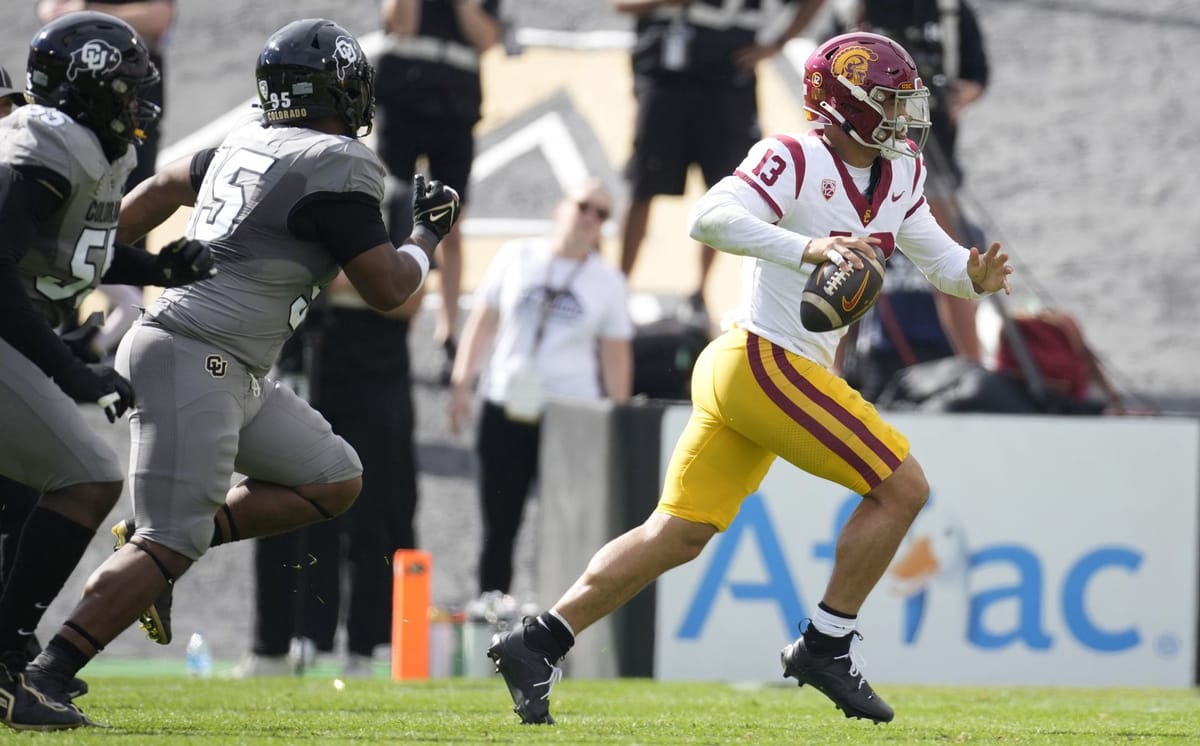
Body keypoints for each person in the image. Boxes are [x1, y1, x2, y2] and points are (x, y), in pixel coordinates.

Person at [487, 31, 1013, 725]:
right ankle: (825, 645)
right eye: (889, 99)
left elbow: (941, 262)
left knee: (677, 533)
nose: (903, 113)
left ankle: (536, 643)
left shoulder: (902, 173)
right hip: (765, 358)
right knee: (903, 487)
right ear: (845, 102)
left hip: (758, 371)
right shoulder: (793, 155)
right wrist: (809, 247)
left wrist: (974, 278)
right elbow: (709, 218)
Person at [13, 18, 461, 729]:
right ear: (342, 90)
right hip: (197, 353)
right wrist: (427, 234)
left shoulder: (248, 139)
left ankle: (157, 548)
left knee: (332, 477)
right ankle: (45, 675)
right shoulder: (339, 162)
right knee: (171, 538)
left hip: (223, 360)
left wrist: (86, 250)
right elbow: (387, 287)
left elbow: (166, 184)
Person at [0, 11, 216, 731]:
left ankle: (9, 655)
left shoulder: (75, 149)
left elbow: (71, 251)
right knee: (89, 477)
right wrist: (73, 372)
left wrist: (157, 268)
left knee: (26, 492)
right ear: (89, 85)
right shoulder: (42, 143)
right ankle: (5, 664)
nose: (140, 101)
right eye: (128, 86)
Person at [449, 179, 634, 601]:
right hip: (505, 404)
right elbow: (484, 321)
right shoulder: (517, 255)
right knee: (499, 521)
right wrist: (461, 382)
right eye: (584, 206)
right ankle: (492, 609)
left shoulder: (607, 282)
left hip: (570, 417)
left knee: (565, 525)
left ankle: (559, 618)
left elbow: (616, 357)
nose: (590, 218)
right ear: (561, 207)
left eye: (601, 214)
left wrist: (617, 419)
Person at [235, 278, 423, 679]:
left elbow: (406, 297)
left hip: (373, 375)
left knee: (372, 515)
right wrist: (359, 283)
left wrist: (332, 277)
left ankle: (364, 648)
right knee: (278, 503)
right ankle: (274, 646)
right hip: (300, 365)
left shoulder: (398, 228)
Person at [613, 0, 824, 318]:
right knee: (644, 183)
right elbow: (621, 5)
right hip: (669, 77)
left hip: (729, 77)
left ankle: (699, 293)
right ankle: (617, 289)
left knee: (726, 189)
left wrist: (777, 44)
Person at [835, 0, 991, 395]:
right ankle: (832, 374)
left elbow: (977, 76)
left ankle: (972, 373)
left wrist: (958, 95)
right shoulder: (854, 9)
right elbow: (822, 75)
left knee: (949, 259)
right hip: (863, 155)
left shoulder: (950, 10)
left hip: (930, 158)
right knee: (849, 259)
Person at [375, 0, 503, 383]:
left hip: (455, 104)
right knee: (392, 213)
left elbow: (487, 38)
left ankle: (448, 333)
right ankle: (390, 324)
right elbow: (401, 23)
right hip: (403, 96)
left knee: (451, 220)